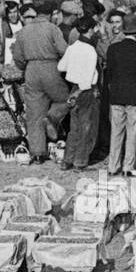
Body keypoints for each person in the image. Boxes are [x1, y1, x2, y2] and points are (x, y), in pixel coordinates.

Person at [12, 1, 70, 162]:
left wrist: (27, 65)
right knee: (65, 99)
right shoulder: (52, 29)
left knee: (34, 113)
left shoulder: (23, 31)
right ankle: (52, 117)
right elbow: (64, 50)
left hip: (31, 70)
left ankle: (37, 153)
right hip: (51, 67)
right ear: (51, 14)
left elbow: (17, 57)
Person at [104, 11, 136, 176]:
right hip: (135, 95)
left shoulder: (113, 49)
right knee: (133, 132)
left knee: (116, 131)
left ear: (124, 30)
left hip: (116, 94)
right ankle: (128, 167)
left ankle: (112, 166)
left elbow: (109, 73)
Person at [56, 16, 100, 172]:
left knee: (73, 128)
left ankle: (67, 160)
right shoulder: (90, 50)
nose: (94, 31)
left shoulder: (73, 47)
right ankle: (80, 162)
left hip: (73, 88)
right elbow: (87, 79)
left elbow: (61, 67)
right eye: (93, 29)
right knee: (86, 128)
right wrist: (81, 91)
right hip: (85, 91)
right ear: (89, 30)